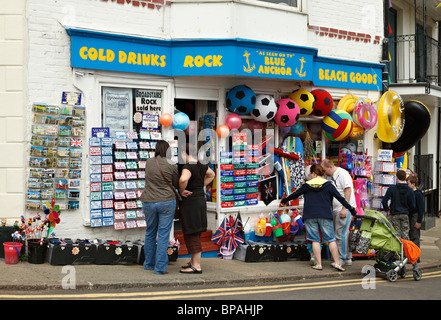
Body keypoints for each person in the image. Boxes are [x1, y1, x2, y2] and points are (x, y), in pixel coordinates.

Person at [281, 164, 357, 271]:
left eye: (310, 174)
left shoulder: (307, 185)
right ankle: (337, 263)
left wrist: (284, 200)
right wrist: (351, 209)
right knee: (331, 239)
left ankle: (319, 264)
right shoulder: (329, 184)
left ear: (313, 173)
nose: (310, 176)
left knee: (315, 240)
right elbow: (341, 198)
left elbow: (295, 194)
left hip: (310, 216)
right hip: (325, 215)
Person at [140, 140, 179, 275]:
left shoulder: (149, 162)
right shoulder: (172, 164)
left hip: (149, 201)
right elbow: (176, 183)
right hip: (166, 201)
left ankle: (148, 264)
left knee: (150, 232)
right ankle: (160, 268)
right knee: (163, 235)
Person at [178, 143, 215, 274]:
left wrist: (182, 190)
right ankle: (193, 262)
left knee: (192, 231)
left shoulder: (188, 166)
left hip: (191, 202)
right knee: (195, 231)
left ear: (184, 153)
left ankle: (197, 265)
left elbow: (183, 179)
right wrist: (200, 186)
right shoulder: (202, 165)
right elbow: (212, 175)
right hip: (199, 199)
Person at [322, 159, 356, 267]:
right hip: (337, 209)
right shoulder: (331, 176)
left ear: (330, 167)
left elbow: (348, 190)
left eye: (324, 170)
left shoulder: (342, 174)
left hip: (343, 209)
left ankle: (341, 259)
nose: (324, 173)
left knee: (340, 234)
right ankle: (348, 257)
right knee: (342, 233)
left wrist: (344, 208)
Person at [381, 169, 415, 240]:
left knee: (395, 234)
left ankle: (397, 250)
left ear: (396, 177)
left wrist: (387, 210)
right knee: (405, 234)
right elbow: (413, 205)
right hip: (405, 213)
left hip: (394, 213)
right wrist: (408, 211)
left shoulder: (392, 188)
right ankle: (405, 250)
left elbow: (384, 201)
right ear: (405, 178)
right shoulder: (410, 190)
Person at [406, 174, 424, 248]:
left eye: (408, 184)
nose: (407, 185)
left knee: (415, 236)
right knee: (411, 235)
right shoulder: (410, 193)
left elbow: (421, 208)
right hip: (410, 215)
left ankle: (415, 257)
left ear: (413, 184)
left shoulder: (418, 194)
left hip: (415, 217)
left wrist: (419, 221)